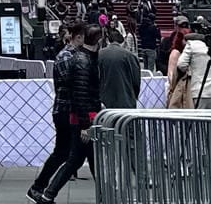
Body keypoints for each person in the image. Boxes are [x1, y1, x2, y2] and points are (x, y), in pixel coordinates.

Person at [29, 25, 101, 204]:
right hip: (67, 111)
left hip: (72, 111)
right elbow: (76, 86)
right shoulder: (70, 57)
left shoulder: (75, 57)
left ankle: (43, 190)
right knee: (65, 154)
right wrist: (85, 122)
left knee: (73, 156)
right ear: (79, 37)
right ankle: (40, 188)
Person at [98, 28, 141, 110]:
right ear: (123, 42)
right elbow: (136, 81)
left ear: (108, 41)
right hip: (126, 100)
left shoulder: (99, 55)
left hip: (104, 101)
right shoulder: (131, 56)